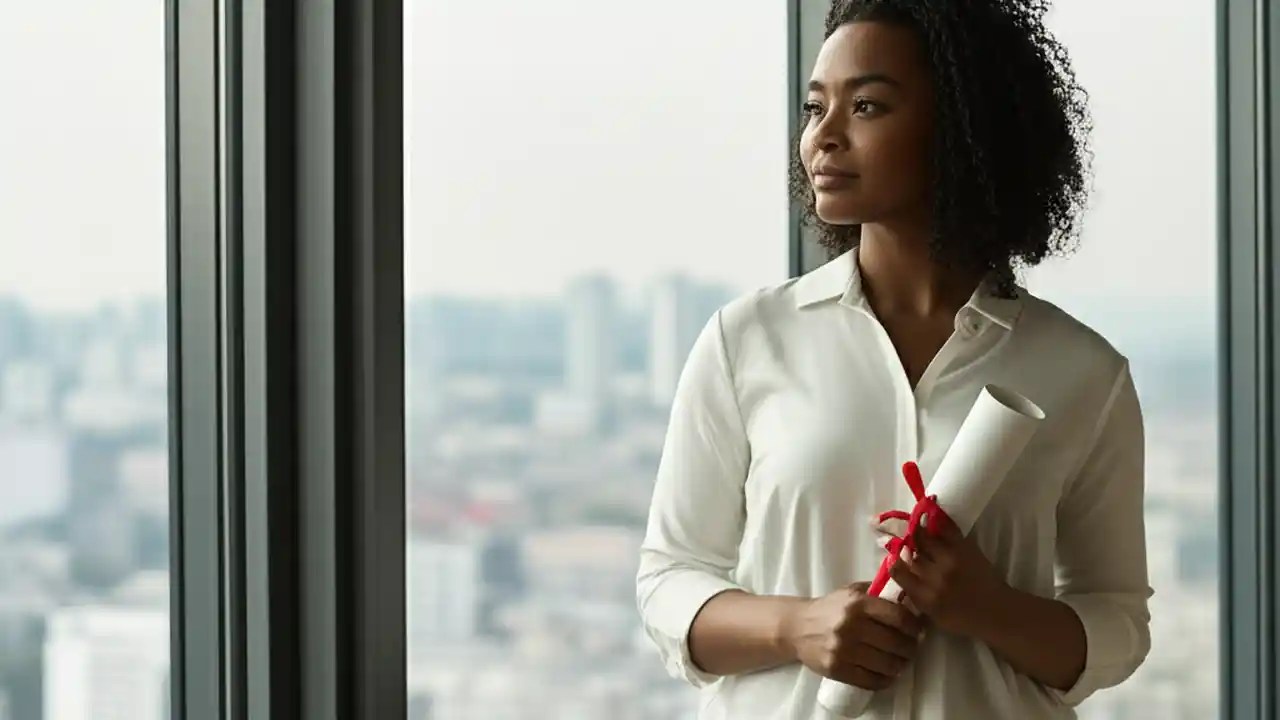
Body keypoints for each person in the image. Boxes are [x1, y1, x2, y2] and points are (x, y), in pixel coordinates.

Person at [635, 1, 1154, 718]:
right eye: (815, 108)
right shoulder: (747, 339)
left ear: (964, 126)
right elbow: (668, 579)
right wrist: (798, 627)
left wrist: (989, 607)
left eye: (867, 106)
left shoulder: (1081, 372)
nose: (824, 136)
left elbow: (1118, 623)